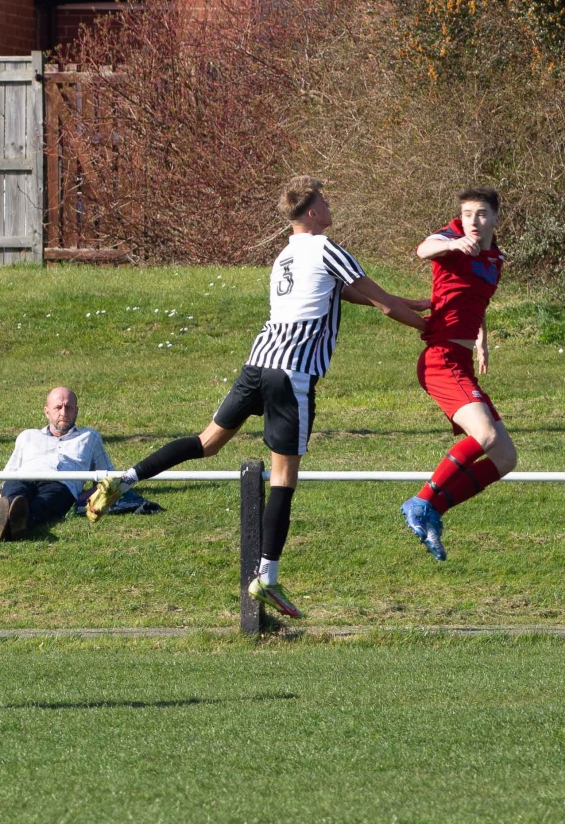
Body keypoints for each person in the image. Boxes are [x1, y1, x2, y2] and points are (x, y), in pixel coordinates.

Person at [86, 175, 428, 620]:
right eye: (324, 200)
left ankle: (124, 478)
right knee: (284, 479)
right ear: (312, 212)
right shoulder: (328, 249)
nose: (329, 205)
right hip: (292, 376)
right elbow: (383, 304)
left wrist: (420, 302)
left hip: (257, 365)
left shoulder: (285, 256)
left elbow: (353, 295)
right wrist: (435, 331)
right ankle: (266, 575)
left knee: (207, 442)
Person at [399, 188, 515, 561]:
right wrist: (453, 243)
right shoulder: (452, 239)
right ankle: (421, 502)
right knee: (484, 434)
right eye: (467, 214)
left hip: (461, 360)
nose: (474, 221)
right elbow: (423, 249)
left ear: (496, 218)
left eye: (481, 214)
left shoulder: (494, 257)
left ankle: (435, 510)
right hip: (440, 359)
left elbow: (473, 299)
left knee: (506, 457)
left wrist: (482, 339)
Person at [0, 387, 110, 541]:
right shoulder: (27, 436)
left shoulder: (90, 437)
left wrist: (84, 496)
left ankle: (3, 528)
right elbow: (9, 471)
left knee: (43, 505)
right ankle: (13, 522)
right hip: (24, 476)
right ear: (47, 411)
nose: (63, 413)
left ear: (76, 411)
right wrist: (3, 492)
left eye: (69, 408)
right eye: (58, 407)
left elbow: (108, 476)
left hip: (60, 483)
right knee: (14, 496)